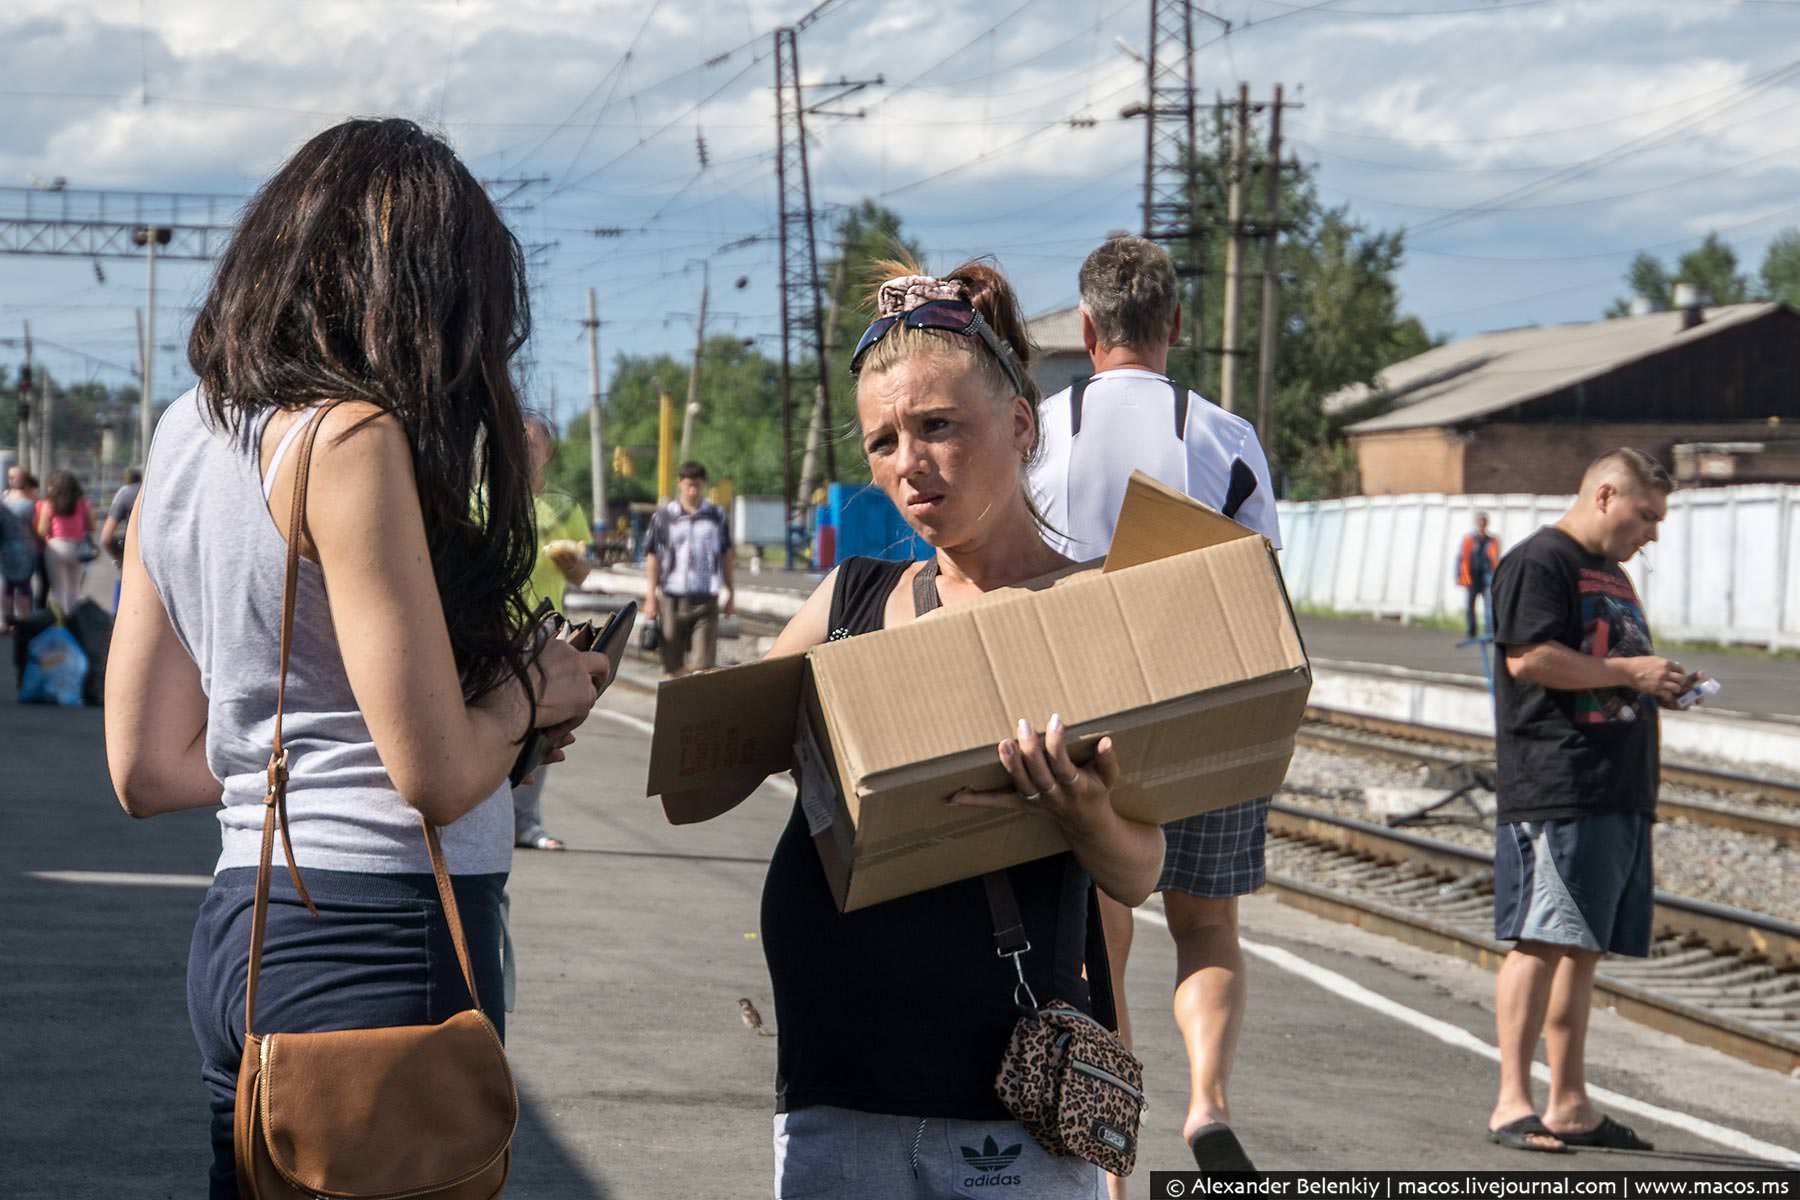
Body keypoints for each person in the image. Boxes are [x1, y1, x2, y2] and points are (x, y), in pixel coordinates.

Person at [102, 117, 611, 1199]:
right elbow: (432, 774)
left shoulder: (187, 431)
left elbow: (143, 765)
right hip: (380, 941)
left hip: (242, 932)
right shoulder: (348, 437)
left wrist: (397, 740)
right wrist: (528, 698)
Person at [662, 262, 1165, 1198]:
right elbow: (709, 770)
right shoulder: (847, 599)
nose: (909, 462)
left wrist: (1085, 812)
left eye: (938, 426)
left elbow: (1138, 871)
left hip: (1005, 1101)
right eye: (884, 440)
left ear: (1020, 426)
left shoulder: (1094, 610)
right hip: (836, 1081)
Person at [1030, 234, 1278, 1180]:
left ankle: (1113, 1164)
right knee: (1207, 926)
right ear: (1175, 325)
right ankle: (1207, 1100)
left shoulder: (1040, 431)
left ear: (1087, 329)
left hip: (1085, 712)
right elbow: (1261, 585)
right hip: (1202, 703)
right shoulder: (1225, 436)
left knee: (1103, 937)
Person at [1484, 448, 1692, 1155]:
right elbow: (1529, 657)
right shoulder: (1541, 561)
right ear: (1605, 495)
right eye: (1646, 515)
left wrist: (1656, 683)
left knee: (1581, 948)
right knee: (1541, 939)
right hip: (1560, 783)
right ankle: (1512, 1102)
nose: (1653, 533)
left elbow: (1609, 666)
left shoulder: (1612, 573)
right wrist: (1629, 672)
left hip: (1616, 784)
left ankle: (1569, 1103)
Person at [511, 413, 593, 853]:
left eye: (531, 443)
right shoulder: (481, 498)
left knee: (542, 726)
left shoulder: (563, 507)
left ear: (548, 451)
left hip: (546, 631)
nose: (523, 450)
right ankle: (484, 815)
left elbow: (581, 573)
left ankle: (525, 823)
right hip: (494, 626)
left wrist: (572, 563)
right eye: (516, 441)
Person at [642, 460, 734, 675]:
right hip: (672, 597)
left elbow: (726, 554)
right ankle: (677, 692)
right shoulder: (663, 517)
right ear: (680, 484)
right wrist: (650, 596)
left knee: (703, 667)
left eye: (697, 485)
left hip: (706, 598)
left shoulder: (716, 516)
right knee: (672, 664)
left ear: (704, 485)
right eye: (689, 485)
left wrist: (731, 592)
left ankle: (696, 693)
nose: (693, 491)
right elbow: (653, 556)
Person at [35, 469, 94, 615]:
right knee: (74, 589)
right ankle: (75, 621)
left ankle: (62, 620)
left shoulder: (49, 504)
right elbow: (91, 526)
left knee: (59, 589)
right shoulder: (82, 503)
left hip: (56, 546)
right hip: (77, 548)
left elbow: (42, 530)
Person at [101, 467, 145, 613]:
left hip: (133, 557)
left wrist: (118, 558)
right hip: (158, 565)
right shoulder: (153, 490)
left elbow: (106, 537)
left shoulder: (125, 493)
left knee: (123, 610)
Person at [1, 467, 38, 631]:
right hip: (23, 548)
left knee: (9, 586)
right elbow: (36, 527)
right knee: (22, 586)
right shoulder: (30, 501)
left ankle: (8, 621)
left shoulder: (4, 499)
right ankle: (23, 622)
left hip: (9, 548)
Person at [1458, 511, 1500, 638]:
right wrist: (1460, 575)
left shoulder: (1492, 540)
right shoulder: (1469, 539)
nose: (1482, 524)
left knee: (1489, 605)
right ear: (1476, 523)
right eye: (1480, 521)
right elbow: (1461, 558)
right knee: (1470, 605)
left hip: (1487, 576)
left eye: (1484, 521)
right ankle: (1471, 631)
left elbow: (1496, 559)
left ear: (1487, 523)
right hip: (1472, 576)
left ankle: (1490, 632)